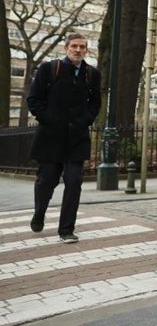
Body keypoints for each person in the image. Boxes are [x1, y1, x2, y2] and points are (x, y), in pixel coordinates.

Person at [27, 33, 101, 243]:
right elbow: (33, 100)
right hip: (51, 137)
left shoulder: (92, 74)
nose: (78, 50)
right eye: (74, 46)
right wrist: (49, 119)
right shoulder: (49, 69)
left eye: (82, 47)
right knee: (46, 182)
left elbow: (95, 103)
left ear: (86, 50)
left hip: (77, 138)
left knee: (74, 181)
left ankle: (66, 229)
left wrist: (85, 119)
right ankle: (39, 212)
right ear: (66, 48)